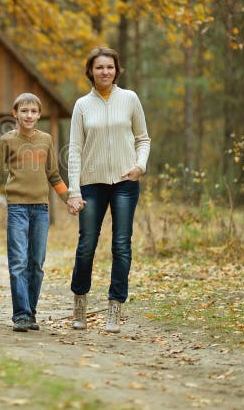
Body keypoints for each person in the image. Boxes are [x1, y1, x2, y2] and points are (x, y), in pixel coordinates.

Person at [66, 46, 150, 333]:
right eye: (100, 67)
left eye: (110, 67)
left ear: (117, 70)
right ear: (90, 70)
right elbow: (75, 150)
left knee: (121, 245)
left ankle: (115, 308)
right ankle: (80, 303)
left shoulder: (129, 99)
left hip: (126, 182)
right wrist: (73, 190)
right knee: (87, 244)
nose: (105, 72)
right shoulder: (81, 105)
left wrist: (140, 166)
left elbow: (143, 138)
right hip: (91, 184)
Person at [0, 93, 70, 332]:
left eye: (33, 111)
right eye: (24, 111)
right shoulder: (7, 141)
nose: (29, 115)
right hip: (17, 208)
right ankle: (21, 314)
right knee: (18, 262)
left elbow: (53, 175)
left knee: (36, 262)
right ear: (15, 113)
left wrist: (69, 200)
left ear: (39, 114)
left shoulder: (46, 140)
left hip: (41, 209)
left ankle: (31, 311)